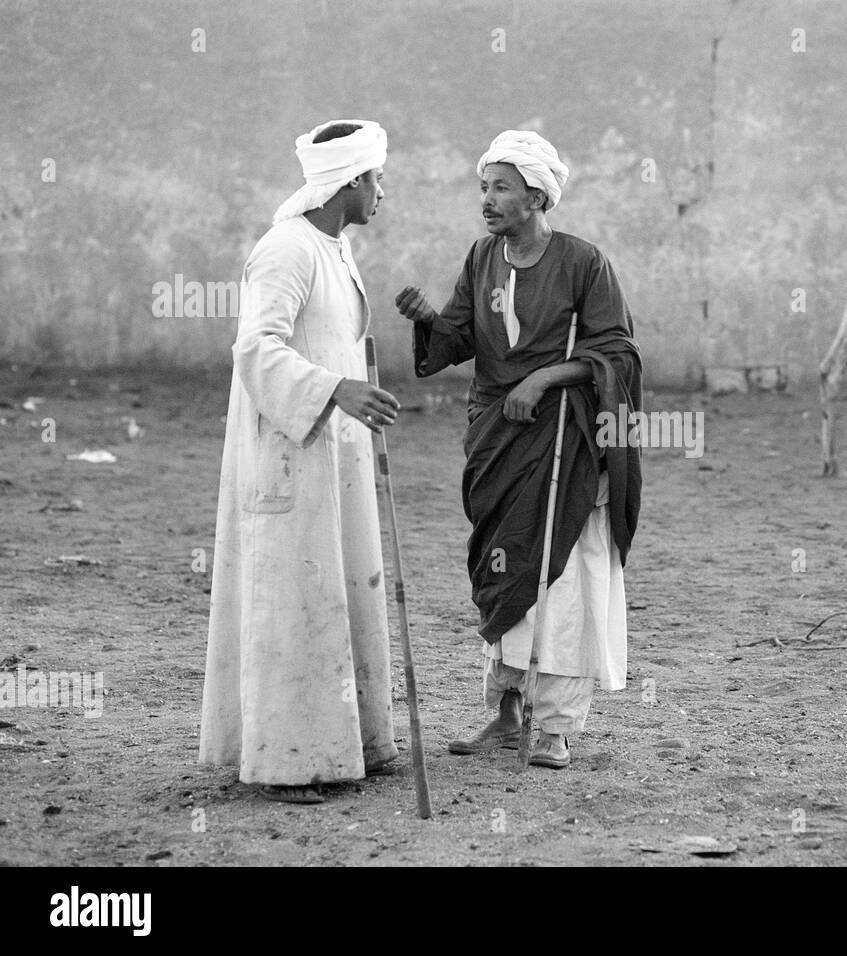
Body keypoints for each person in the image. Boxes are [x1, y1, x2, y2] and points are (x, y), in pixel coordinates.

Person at [396, 130, 642, 769]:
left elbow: (615, 351)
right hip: (497, 440)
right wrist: (427, 320)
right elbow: (456, 338)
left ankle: (557, 726)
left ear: (535, 195)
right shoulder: (482, 259)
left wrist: (541, 379)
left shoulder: (584, 263)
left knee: (557, 579)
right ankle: (506, 713)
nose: (487, 199)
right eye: (484, 187)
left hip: (562, 444)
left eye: (501, 187)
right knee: (503, 568)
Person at [200, 120, 402, 804]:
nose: (382, 190)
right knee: (294, 601)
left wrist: (352, 390)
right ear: (350, 182)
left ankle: (356, 744)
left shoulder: (335, 249)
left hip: (333, 453)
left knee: (341, 590)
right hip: (289, 453)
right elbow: (256, 350)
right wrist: (335, 388)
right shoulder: (286, 250)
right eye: (376, 177)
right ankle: (289, 762)